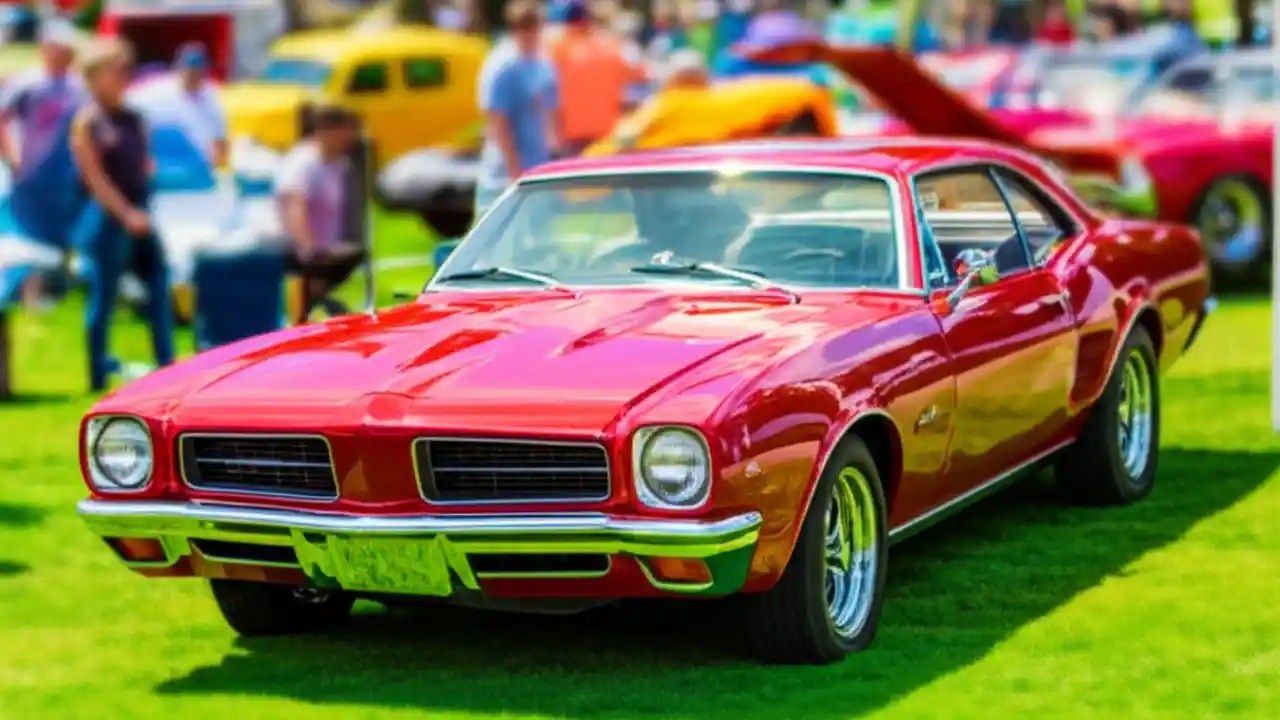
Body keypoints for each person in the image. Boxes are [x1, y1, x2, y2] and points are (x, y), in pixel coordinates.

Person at [69, 38, 174, 392]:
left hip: (140, 214)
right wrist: (125, 213)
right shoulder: (88, 123)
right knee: (104, 296)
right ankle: (97, 373)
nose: (124, 77)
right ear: (97, 76)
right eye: (117, 70)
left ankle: (167, 366)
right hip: (108, 219)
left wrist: (143, 207)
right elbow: (94, 178)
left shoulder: (135, 118)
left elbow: (144, 165)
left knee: (159, 287)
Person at [0, 18, 87, 305]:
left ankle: (58, 289)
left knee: (62, 233)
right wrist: (12, 156)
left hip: (67, 174)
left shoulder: (78, 87)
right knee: (28, 235)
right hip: (31, 174)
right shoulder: (28, 82)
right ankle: (29, 293)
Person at [274, 103, 364, 324]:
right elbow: (293, 204)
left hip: (326, 248)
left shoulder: (340, 163)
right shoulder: (304, 163)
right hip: (298, 250)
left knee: (352, 256)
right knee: (303, 299)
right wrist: (309, 251)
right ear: (328, 131)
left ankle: (318, 306)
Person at [474, 0, 559, 217]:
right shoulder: (504, 66)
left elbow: (550, 110)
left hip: (537, 168)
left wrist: (555, 153)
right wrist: (515, 171)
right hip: (504, 176)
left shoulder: (542, 62)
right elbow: (498, 121)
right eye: (526, 28)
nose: (533, 34)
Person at [550, 0, 643, 156]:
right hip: (607, 134)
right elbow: (640, 75)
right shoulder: (611, 45)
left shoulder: (556, 48)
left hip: (573, 136)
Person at [128, 42, 227, 168]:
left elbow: (219, 138)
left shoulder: (211, 95)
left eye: (198, 71)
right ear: (178, 68)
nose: (194, 76)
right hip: (165, 164)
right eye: (190, 71)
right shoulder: (156, 91)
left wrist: (213, 165)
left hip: (199, 169)